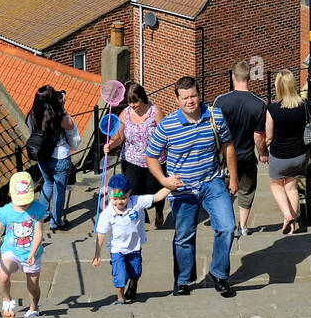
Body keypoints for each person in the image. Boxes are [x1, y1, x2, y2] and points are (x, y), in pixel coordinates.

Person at [145, 76, 238, 298]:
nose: (190, 101)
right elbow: (151, 156)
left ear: (199, 95)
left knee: (227, 227)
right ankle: (184, 280)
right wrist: (164, 181)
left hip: (211, 181)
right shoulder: (167, 126)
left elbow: (228, 145)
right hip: (182, 188)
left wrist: (233, 178)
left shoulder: (215, 115)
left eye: (193, 96)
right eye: (185, 97)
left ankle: (219, 274)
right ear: (176, 99)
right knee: (184, 235)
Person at [91, 171, 172, 304]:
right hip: (117, 249)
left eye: (123, 198)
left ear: (129, 193)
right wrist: (97, 253)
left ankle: (133, 282)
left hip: (134, 247)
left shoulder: (136, 202)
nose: (119, 202)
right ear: (110, 197)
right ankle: (120, 298)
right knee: (120, 276)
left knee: (135, 272)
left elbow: (157, 197)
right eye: (115, 199)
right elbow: (101, 233)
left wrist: (170, 186)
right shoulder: (107, 213)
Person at [214, 59, 267, 238]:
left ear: (232, 77)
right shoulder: (259, 104)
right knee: (246, 191)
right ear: (249, 78)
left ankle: (227, 225)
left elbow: (213, 131)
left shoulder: (220, 101)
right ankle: (243, 226)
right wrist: (263, 153)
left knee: (224, 193)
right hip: (246, 157)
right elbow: (258, 136)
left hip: (223, 158)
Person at [0, 171, 46, 318]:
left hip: (31, 252)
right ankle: (7, 300)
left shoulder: (37, 209)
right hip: (11, 250)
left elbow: (38, 233)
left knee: (33, 285)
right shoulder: (6, 212)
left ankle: (33, 307)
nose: (25, 204)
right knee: (3, 276)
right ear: (11, 195)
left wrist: (32, 253)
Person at [104, 81, 166, 227]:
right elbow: (119, 137)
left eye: (135, 101)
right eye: (129, 102)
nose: (132, 105)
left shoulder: (155, 112)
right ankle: (140, 217)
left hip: (154, 159)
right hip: (132, 159)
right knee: (135, 191)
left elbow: (166, 134)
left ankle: (159, 212)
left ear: (142, 98)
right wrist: (110, 145)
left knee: (155, 190)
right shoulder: (125, 114)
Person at [27, 85, 81, 231]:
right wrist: (62, 107)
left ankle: (42, 214)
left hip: (43, 157)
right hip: (60, 159)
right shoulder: (59, 118)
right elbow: (70, 125)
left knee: (48, 183)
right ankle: (56, 222)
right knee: (59, 190)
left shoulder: (32, 116)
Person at [265, 69, 309, 234]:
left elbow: (268, 137)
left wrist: (262, 149)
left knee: (276, 185)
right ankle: (293, 226)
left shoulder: (272, 109)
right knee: (292, 187)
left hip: (280, 156)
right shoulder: (304, 105)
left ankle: (287, 215)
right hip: (299, 155)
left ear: (279, 87)